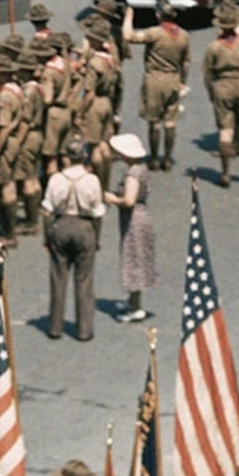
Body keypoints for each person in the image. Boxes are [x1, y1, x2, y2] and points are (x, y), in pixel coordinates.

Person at [40, 146, 104, 341]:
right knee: (84, 280)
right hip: (84, 226)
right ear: (84, 157)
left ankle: (55, 327)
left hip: (61, 224)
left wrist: (47, 237)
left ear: (66, 157)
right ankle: (84, 329)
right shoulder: (92, 180)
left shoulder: (56, 179)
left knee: (58, 278)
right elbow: (98, 213)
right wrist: (96, 237)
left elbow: (47, 212)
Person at [106, 134, 153, 323]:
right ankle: (133, 299)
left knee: (133, 259)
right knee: (135, 258)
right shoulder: (141, 168)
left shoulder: (133, 174)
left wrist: (112, 198)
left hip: (134, 220)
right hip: (139, 217)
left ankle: (136, 307)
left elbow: (128, 200)